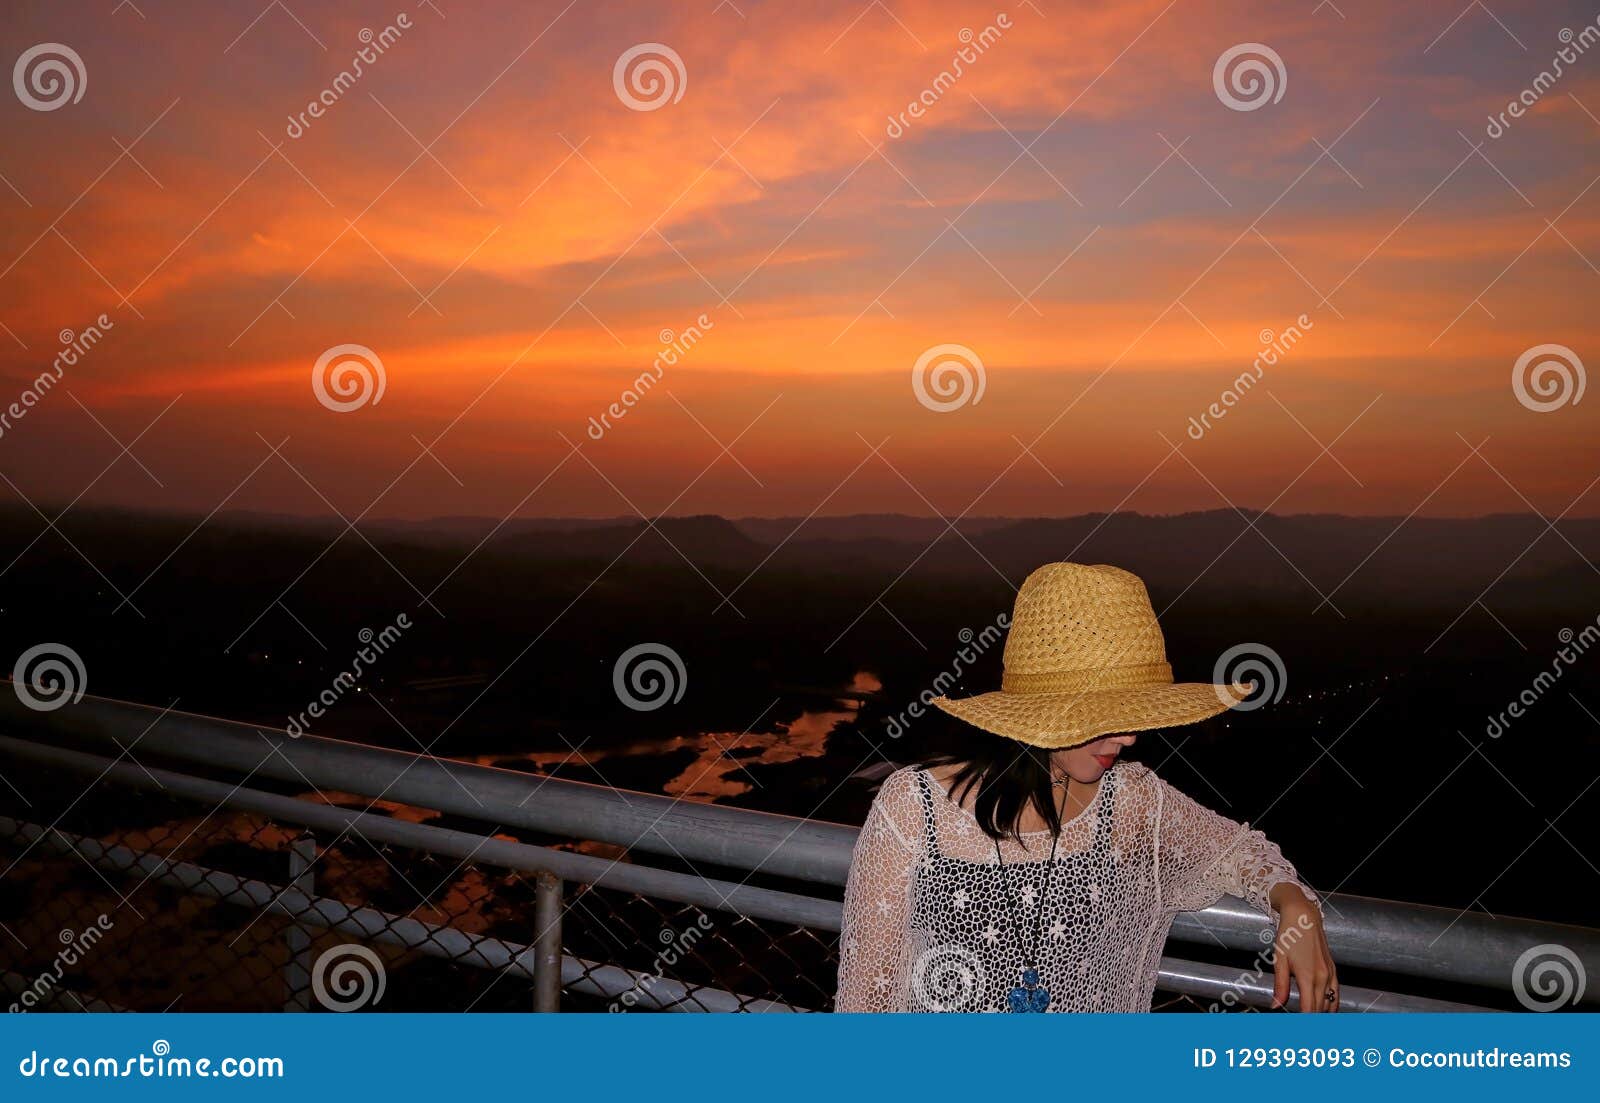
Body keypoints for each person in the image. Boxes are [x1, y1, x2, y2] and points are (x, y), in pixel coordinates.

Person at [836, 562, 1335, 1013]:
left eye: (1135, 713)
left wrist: (1295, 905)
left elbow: (1238, 851)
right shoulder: (913, 808)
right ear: (1043, 714)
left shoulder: (1133, 802)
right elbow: (867, 1003)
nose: (1130, 735)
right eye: (1109, 716)